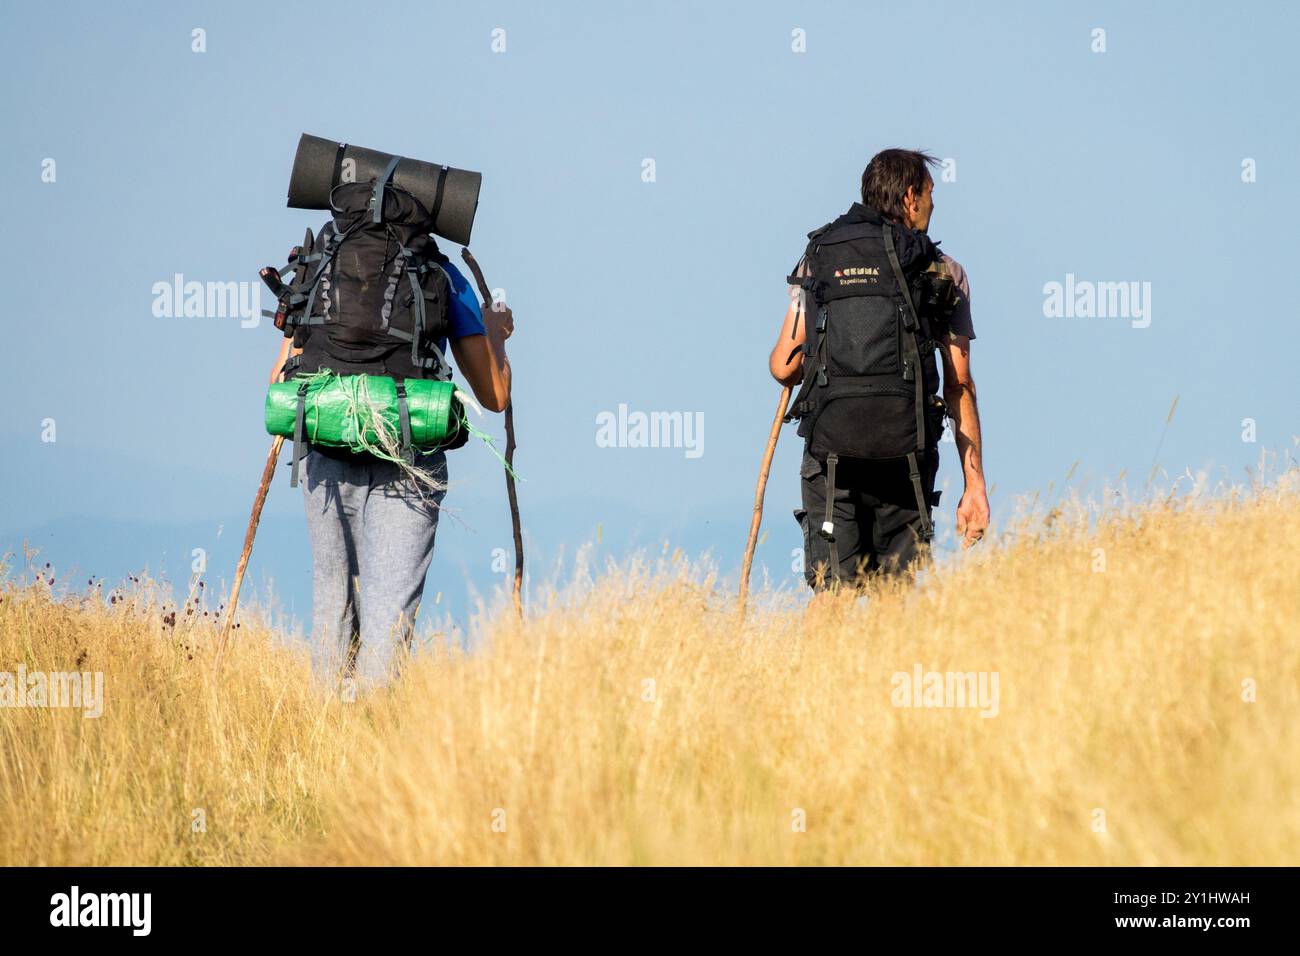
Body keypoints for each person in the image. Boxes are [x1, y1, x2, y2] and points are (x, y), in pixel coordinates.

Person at [269, 187, 512, 690]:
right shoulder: (441, 273)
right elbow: (495, 394)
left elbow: (280, 384)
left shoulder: (324, 263)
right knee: (389, 611)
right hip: (410, 457)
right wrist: (497, 337)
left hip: (325, 447)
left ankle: (321, 746)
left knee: (333, 598)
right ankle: (372, 741)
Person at [769, 148, 988, 589]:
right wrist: (975, 484)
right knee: (893, 599)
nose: (932, 204)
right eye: (930, 194)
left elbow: (783, 366)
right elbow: (959, 382)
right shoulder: (943, 271)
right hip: (906, 457)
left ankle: (809, 663)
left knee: (832, 594)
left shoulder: (819, 257)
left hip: (831, 456)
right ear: (910, 197)